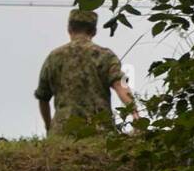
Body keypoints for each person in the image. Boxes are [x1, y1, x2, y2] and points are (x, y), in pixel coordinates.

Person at [35, 8, 138, 136]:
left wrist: (49, 127)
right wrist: (135, 114)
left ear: (69, 29)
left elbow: (43, 97)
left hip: (63, 131)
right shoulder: (105, 56)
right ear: (94, 31)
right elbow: (120, 85)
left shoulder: (54, 57)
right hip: (99, 130)